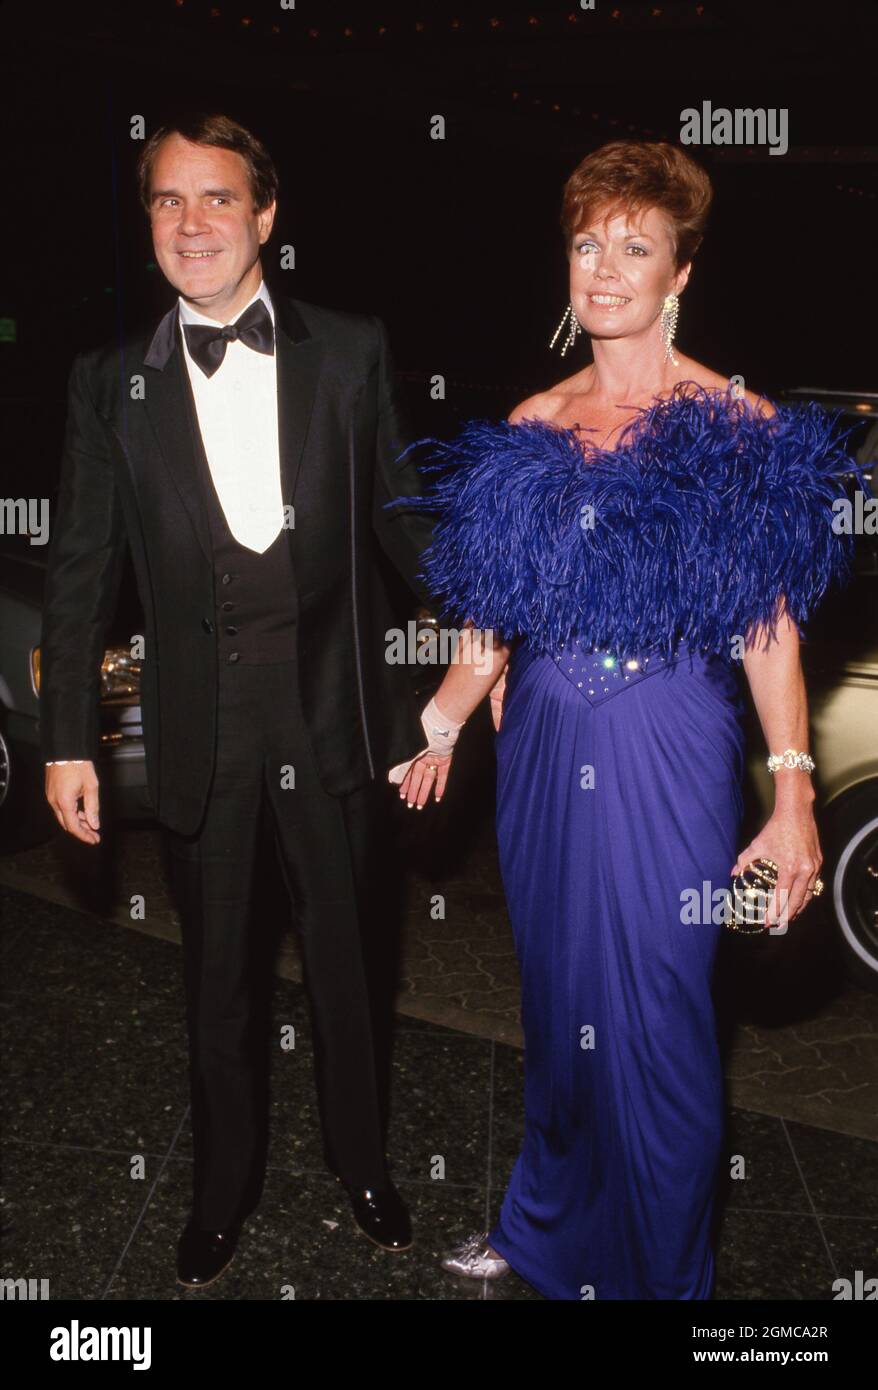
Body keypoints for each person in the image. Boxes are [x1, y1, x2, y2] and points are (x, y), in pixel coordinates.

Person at [388, 140, 868, 1299]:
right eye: (585, 243)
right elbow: (495, 610)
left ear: (680, 272)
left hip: (667, 745)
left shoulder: (733, 423)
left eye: (633, 248)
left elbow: (765, 627)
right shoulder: (535, 417)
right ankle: (542, 1227)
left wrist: (795, 794)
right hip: (547, 741)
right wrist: (447, 718)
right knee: (557, 1009)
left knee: (656, 1024)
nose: (602, 269)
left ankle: (663, 1276)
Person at [40, 112, 434, 1289]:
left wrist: (496, 619)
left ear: (266, 216)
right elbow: (78, 569)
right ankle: (221, 1191)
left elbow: (404, 520)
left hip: (333, 718)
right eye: (167, 200)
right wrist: (67, 744)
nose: (192, 222)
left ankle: (362, 1163)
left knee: (351, 968)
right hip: (203, 730)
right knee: (214, 981)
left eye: (218, 199)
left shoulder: (350, 349)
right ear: (148, 222)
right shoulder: (108, 382)